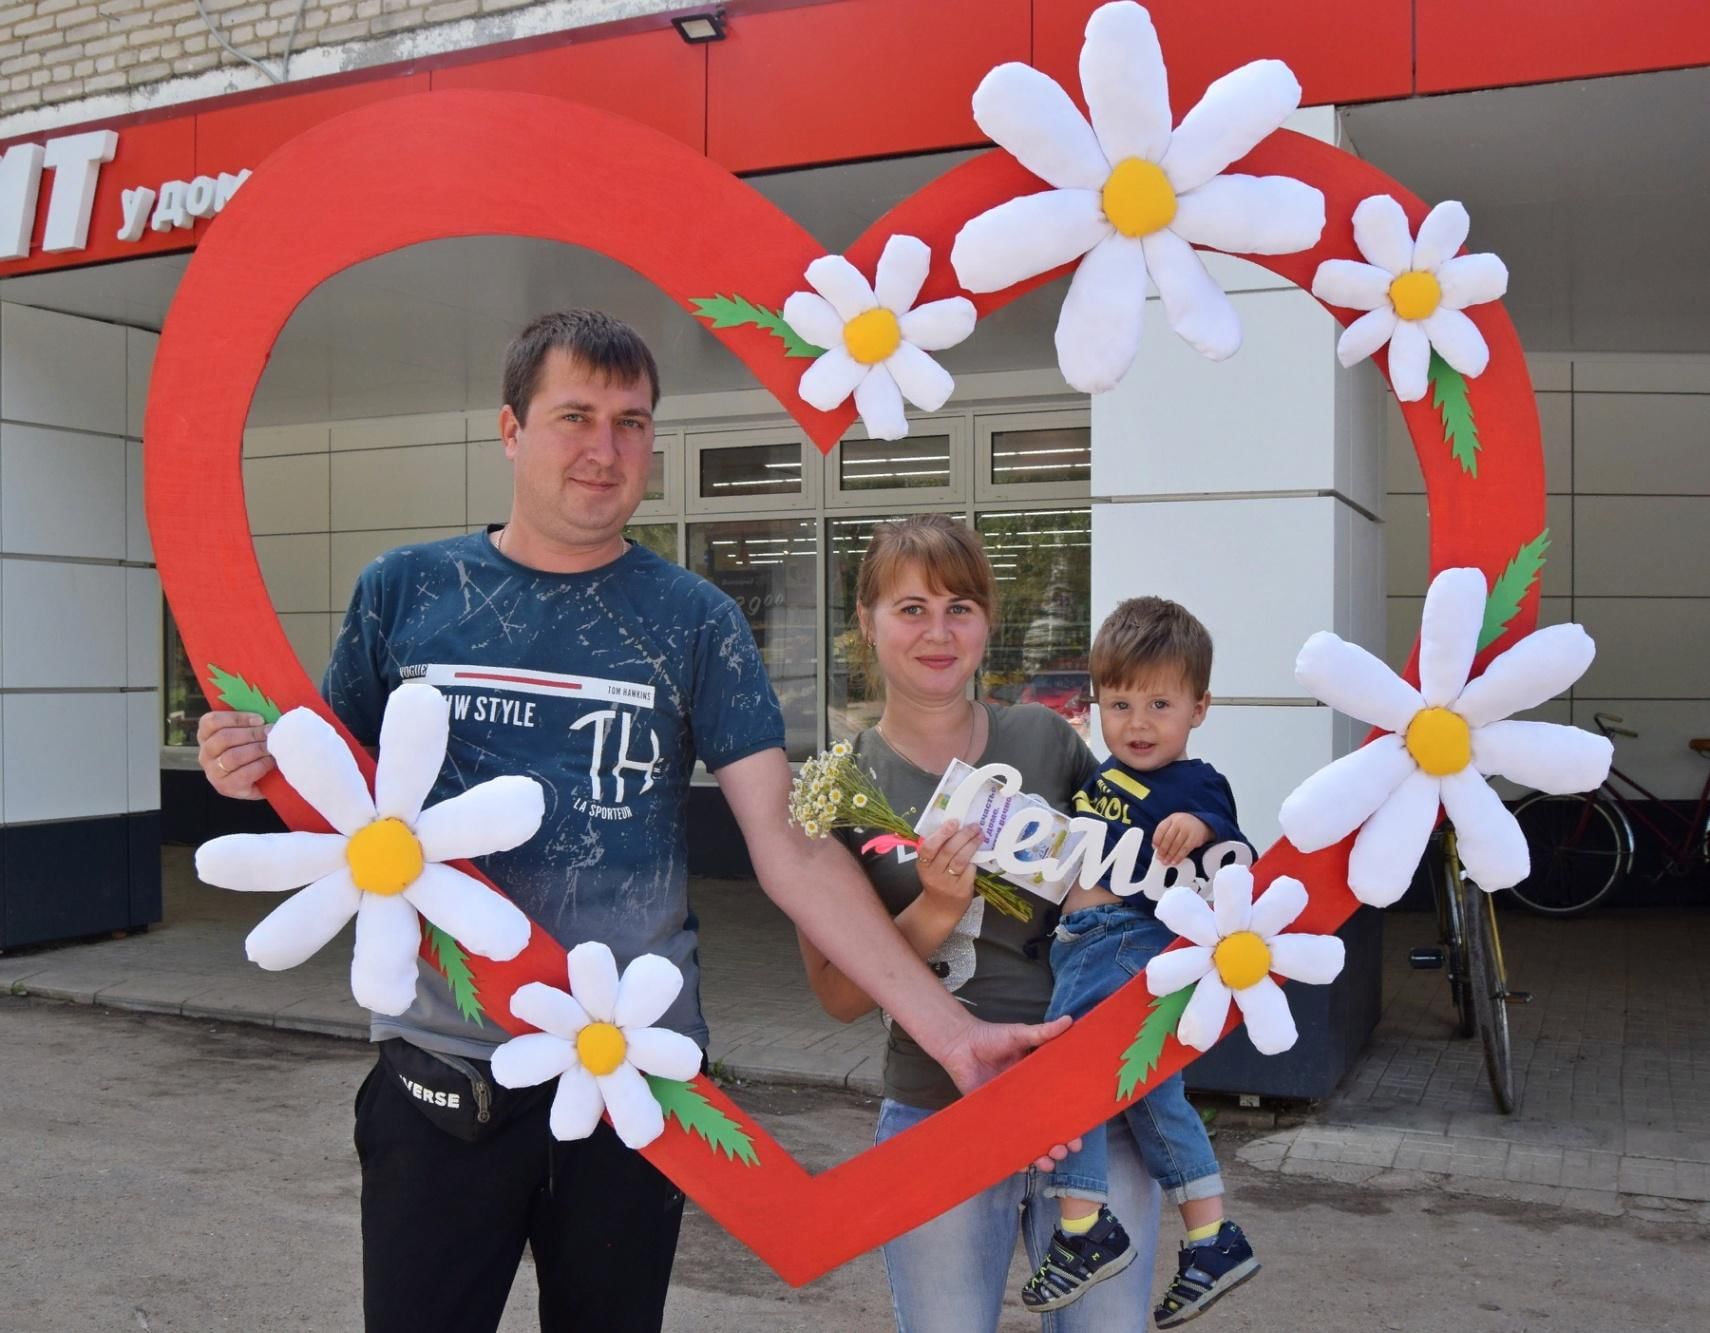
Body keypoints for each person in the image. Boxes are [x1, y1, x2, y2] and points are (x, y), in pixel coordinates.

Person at [197, 311, 1072, 1333]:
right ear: (512, 429)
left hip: (630, 1074)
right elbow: (327, 791)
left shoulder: (696, 619)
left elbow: (788, 843)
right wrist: (242, 764)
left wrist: (953, 1034)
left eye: (631, 421)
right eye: (575, 415)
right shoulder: (405, 591)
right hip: (442, 1071)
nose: (605, 448)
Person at [798, 514, 1162, 1333]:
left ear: (988, 621)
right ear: (865, 621)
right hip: (937, 1111)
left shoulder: (1048, 740)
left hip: (1093, 1102)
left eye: (960, 607)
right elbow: (836, 996)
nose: (939, 630)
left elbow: (1129, 888)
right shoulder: (835, 788)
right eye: (912, 607)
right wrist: (935, 906)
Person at [1018, 596, 1260, 1325]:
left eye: (1161, 702)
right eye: (1120, 703)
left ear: (1200, 706)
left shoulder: (1193, 782)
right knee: (1154, 1093)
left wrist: (1200, 824)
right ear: (1095, 706)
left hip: (1127, 942)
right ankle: (1213, 1235)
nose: (1140, 722)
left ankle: (1086, 1227)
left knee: (1073, 1076)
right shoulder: (1098, 782)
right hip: (1085, 949)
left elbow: (1232, 846)